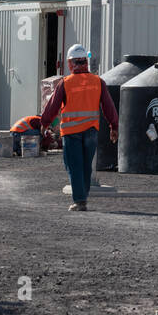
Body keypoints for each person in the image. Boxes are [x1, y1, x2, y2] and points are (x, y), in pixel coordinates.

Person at [40, 44, 118, 211]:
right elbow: (108, 106)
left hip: (71, 133)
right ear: (85, 62)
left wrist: (44, 123)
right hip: (91, 131)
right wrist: (114, 126)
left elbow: (52, 106)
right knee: (85, 166)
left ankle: (80, 201)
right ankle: (83, 196)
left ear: (70, 63)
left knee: (74, 166)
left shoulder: (65, 83)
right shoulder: (98, 82)